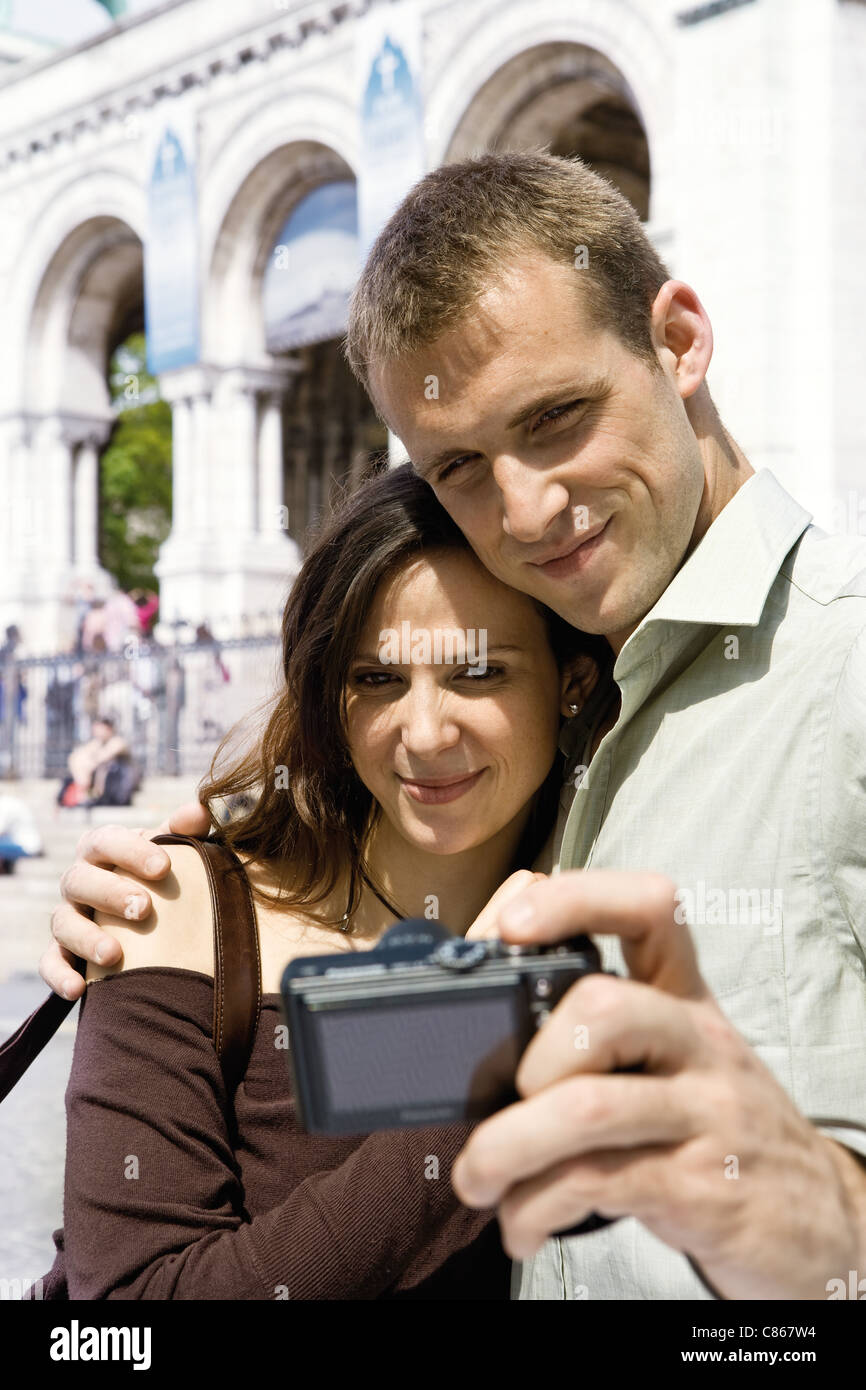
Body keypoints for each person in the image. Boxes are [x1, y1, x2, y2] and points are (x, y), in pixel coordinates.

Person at [44, 151, 866, 1300]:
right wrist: (219, 887)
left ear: (676, 340)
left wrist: (821, 1221)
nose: (526, 509)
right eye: (461, 466)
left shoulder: (839, 673)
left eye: (557, 416)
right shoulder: (574, 713)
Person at [37, 464, 605, 1300]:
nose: (423, 731)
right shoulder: (181, 906)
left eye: (477, 673)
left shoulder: (609, 915)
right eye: (377, 679)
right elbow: (130, 1307)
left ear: (573, 684)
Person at [58, 717, 138, 809]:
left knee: (99, 765)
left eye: (99, 729)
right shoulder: (97, 743)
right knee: (80, 762)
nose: (96, 732)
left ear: (109, 729)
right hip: (99, 783)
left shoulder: (118, 742)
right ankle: (83, 792)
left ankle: (86, 792)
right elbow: (76, 756)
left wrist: (87, 765)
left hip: (119, 786)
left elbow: (103, 757)